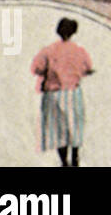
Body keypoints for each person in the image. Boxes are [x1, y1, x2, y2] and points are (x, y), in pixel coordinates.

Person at [31, 17, 94, 168]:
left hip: (53, 94)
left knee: (58, 130)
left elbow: (36, 68)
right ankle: (75, 157)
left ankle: (64, 162)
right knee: (75, 127)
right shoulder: (79, 51)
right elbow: (88, 68)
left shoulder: (48, 51)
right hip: (73, 93)